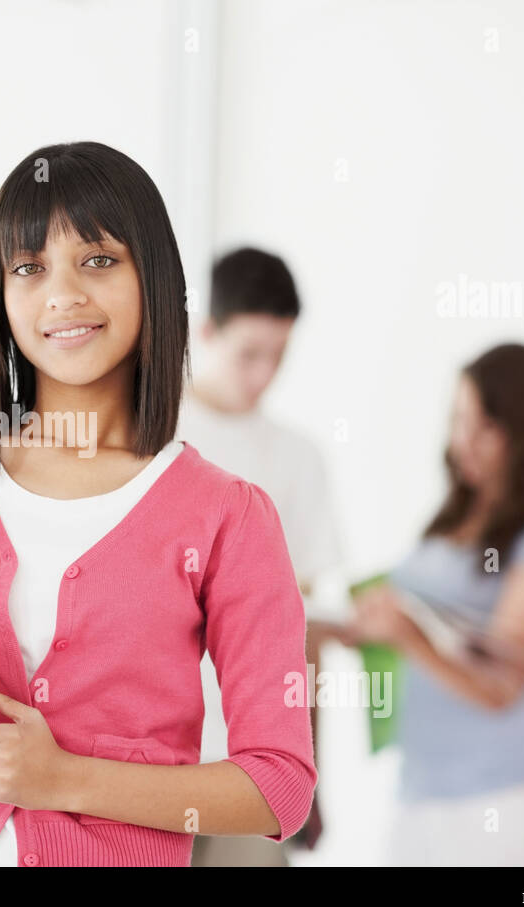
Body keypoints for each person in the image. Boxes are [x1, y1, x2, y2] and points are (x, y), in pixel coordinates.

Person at [0, 141, 316, 867]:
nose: (62, 294)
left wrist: (64, 780)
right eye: (29, 267)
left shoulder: (229, 515)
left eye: (98, 260)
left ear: (153, 278)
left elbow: (279, 787)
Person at [339, 343, 524, 866]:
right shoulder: (454, 516)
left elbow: (503, 681)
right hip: (421, 792)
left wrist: (409, 636)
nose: (463, 442)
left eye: (485, 427)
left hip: (504, 796)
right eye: (458, 421)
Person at [176, 246, 344, 866]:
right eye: (249, 354)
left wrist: (310, 771)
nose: (264, 373)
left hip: (250, 770)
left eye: (279, 355)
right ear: (208, 331)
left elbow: (302, 632)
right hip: (142, 762)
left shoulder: (299, 459)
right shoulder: (149, 433)